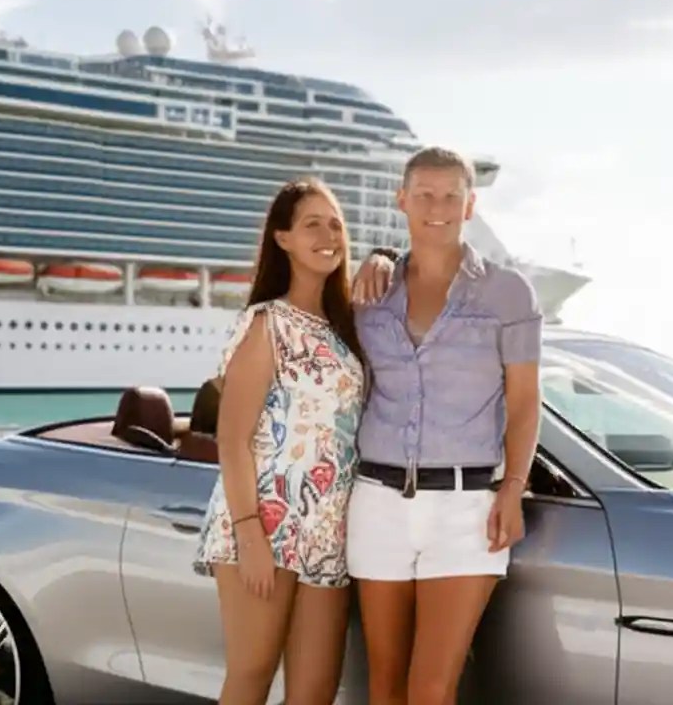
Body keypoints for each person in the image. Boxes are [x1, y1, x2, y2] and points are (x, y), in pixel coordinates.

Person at [346, 146, 543, 705]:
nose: (439, 207)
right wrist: (380, 256)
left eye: (451, 195)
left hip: (466, 510)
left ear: (471, 204)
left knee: (431, 687)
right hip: (375, 503)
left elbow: (526, 401)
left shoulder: (508, 292)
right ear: (401, 200)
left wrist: (512, 488)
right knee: (382, 684)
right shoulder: (369, 294)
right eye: (425, 195)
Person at [192, 177, 368, 705]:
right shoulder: (267, 323)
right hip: (263, 523)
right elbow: (231, 438)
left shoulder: (343, 331)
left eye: (335, 223)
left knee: (314, 692)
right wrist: (250, 536)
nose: (328, 233)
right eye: (312, 223)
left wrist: (381, 260)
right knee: (250, 677)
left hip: (326, 532)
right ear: (283, 239)